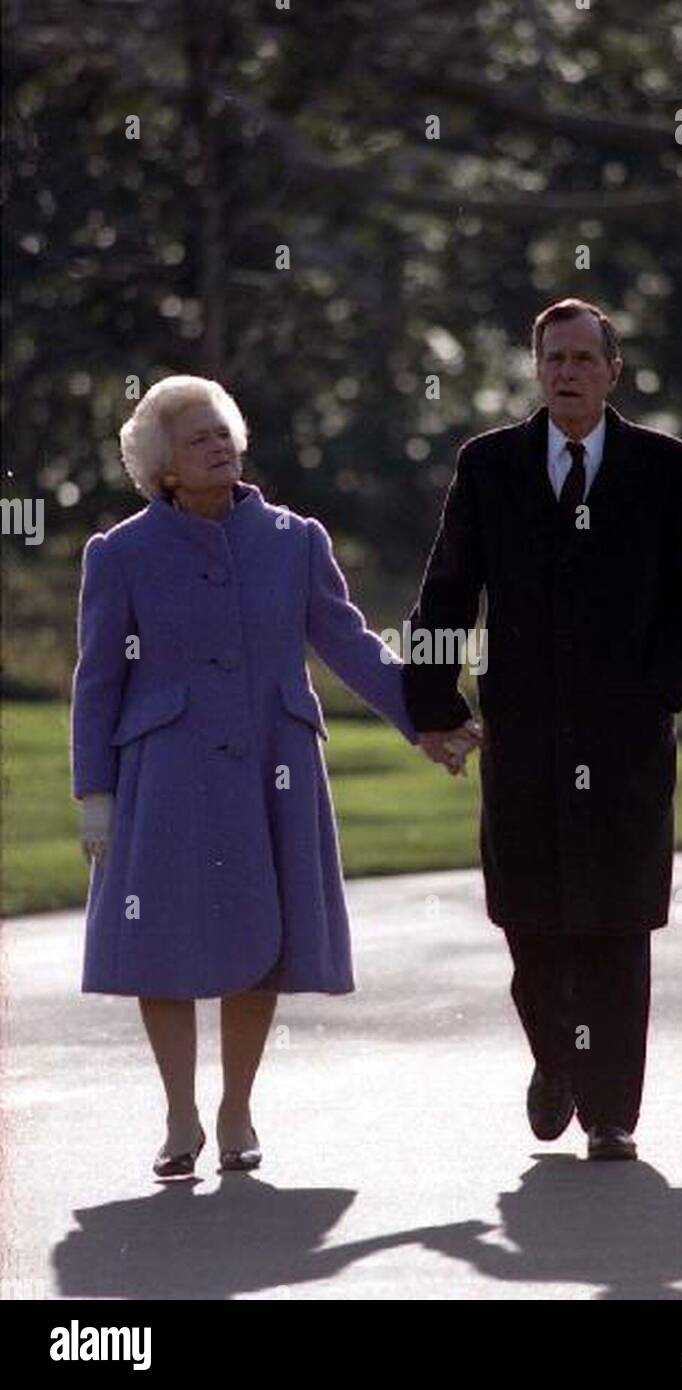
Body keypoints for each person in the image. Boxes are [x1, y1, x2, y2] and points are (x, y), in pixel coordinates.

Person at [404, 298, 682, 1161]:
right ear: (536, 367)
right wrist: (433, 704)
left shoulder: (666, 468)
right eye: (553, 358)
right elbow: (448, 588)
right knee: (533, 926)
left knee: (618, 929)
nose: (566, 373)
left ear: (613, 371)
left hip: (626, 744)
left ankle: (611, 1113)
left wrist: (656, 692)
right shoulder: (490, 466)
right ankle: (556, 1060)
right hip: (527, 740)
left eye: (584, 359)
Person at [71, 374, 425, 1177]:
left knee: (257, 936)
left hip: (275, 768)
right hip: (163, 775)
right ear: (163, 467)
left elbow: (349, 643)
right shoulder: (120, 554)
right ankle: (179, 1116)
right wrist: (94, 793)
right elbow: (97, 680)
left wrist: (425, 717)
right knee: (160, 943)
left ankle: (235, 1110)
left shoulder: (294, 540)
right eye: (197, 438)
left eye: (223, 430)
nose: (219, 445)